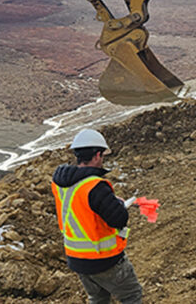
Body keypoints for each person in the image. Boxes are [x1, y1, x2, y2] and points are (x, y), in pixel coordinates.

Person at [51, 128, 143, 304]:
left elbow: (81, 207)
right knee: (131, 295)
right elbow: (119, 219)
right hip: (103, 259)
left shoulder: (60, 182)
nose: (102, 160)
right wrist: (118, 205)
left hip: (77, 259)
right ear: (97, 155)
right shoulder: (95, 186)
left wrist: (109, 201)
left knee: (98, 299)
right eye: (102, 156)